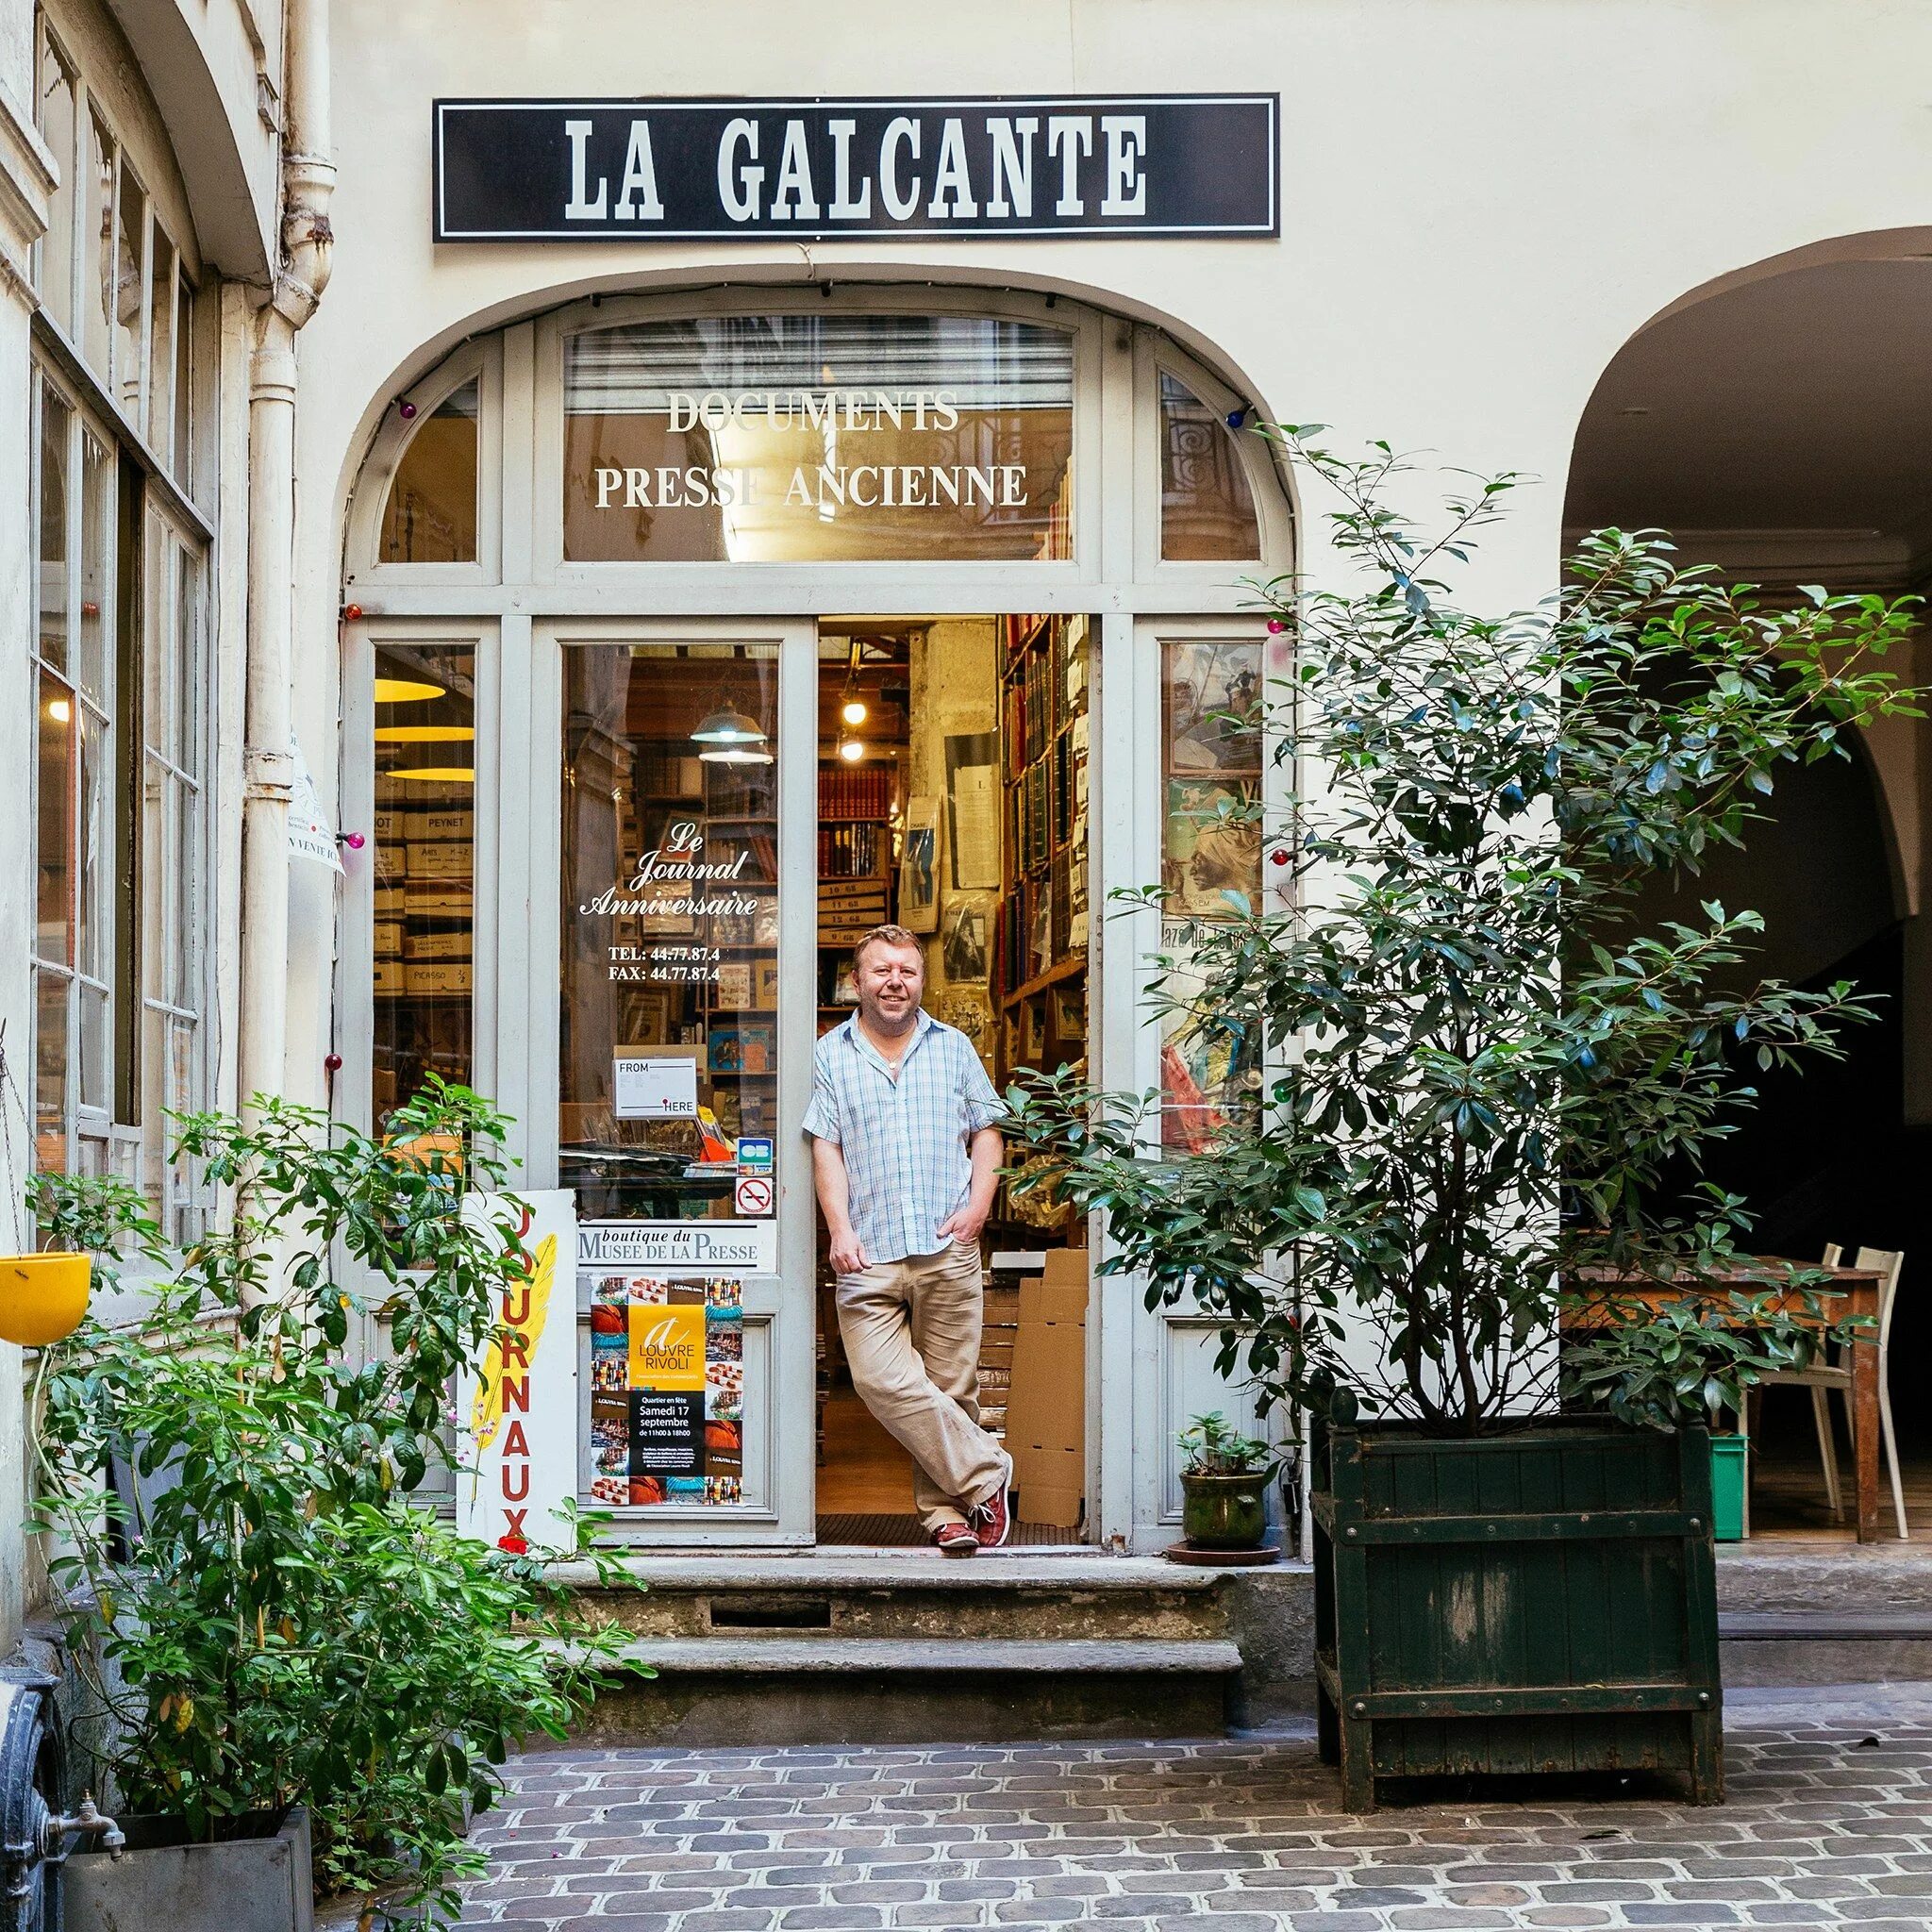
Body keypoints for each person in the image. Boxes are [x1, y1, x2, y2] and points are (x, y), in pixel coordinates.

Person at [802, 924, 1012, 1556]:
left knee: (951, 1390)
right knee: (880, 1381)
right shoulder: (830, 1053)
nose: (895, 982)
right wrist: (839, 1230)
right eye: (881, 971)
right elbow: (825, 1146)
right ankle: (988, 1475)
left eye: (907, 972)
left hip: (947, 1244)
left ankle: (946, 1515)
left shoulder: (954, 1049)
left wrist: (979, 1207)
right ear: (858, 982)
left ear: (921, 979)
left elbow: (988, 1130)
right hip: (868, 1251)